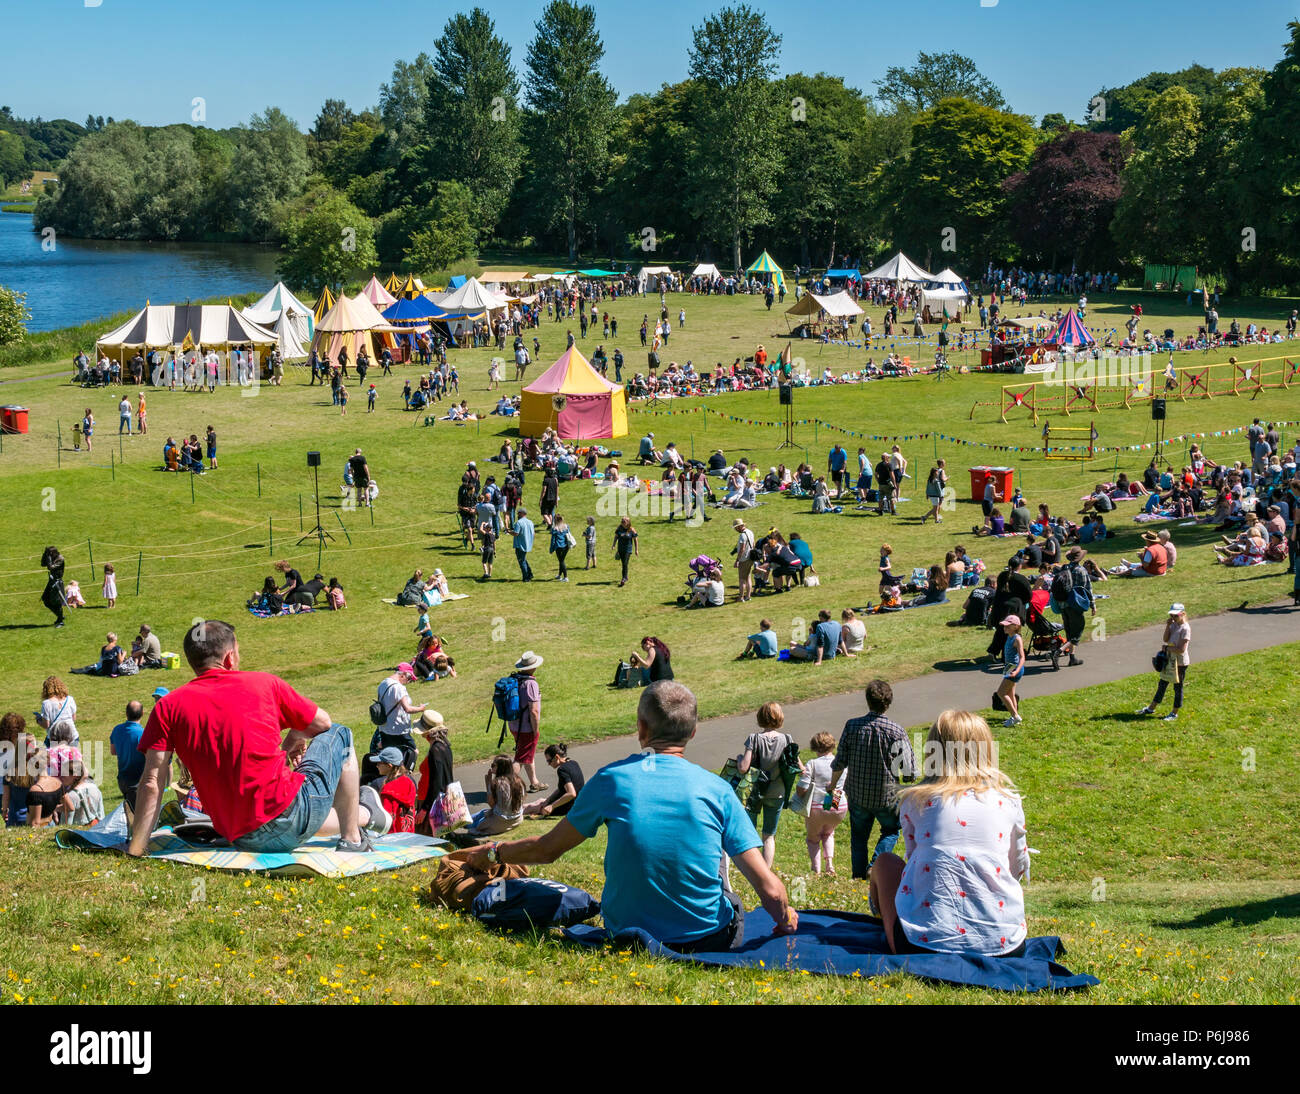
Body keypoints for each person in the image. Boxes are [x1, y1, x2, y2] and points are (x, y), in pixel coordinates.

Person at [464, 681, 796, 951]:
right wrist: (786, 919)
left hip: (625, 931)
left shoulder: (612, 780)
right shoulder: (717, 790)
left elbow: (547, 849)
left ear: (641, 728)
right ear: (693, 732)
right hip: (705, 937)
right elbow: (770, 891)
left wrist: (494, 852)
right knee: (726, 886)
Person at [128, 620, 390, 855]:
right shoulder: (265, 684)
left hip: (238, 834)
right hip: (291, 819)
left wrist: (137, 848)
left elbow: (152, 781)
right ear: (230, 657)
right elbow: (323, 723)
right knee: (340, 733)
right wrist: (296, 734)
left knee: (285, 812)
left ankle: (367, 814)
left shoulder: (168, 706)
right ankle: (354, 839)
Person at [871, 710, 1030, 957]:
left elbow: (914, 867)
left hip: (920, 945)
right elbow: (1016, 868)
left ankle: (883, 917)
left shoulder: (916, 800)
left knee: (885, 863)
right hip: (1005, 946)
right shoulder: (1008, 802)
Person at [824, 679, 915, 880]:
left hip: (857, 794)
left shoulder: (852, 726)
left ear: (867, 700)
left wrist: (832, 786)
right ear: (889, 702)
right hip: (886, 796)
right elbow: (908, 772)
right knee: (891, 830)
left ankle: (858, 875)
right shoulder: (895, 731)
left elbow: (840, 762)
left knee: (858, 837)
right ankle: (873, 866)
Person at [736, 702, 795, 867]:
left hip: (755, 791)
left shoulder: (754, 739)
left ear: (760, 718)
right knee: (769, 835)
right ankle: (766, 870)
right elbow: (798, 767)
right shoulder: (787, 739)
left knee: (750, 830)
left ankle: (751, 867)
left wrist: (740, 758)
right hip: (777, 792)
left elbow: (743, 768)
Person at [797, 731, 848, 875]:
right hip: (838, 803)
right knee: (828, 833)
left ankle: (816, 870)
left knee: (813, 839)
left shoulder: (813, 763)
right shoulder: (841, 763)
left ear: (814, 747)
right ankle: (830, 864)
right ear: (832, 746)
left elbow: (803, 786)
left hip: (818, 806)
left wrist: (799, 795)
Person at [369, 664, 425, 775]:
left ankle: (390, 777)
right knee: (413, 752)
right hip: (399, 729)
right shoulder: (398, 687)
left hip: (384, 728)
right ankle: (405, 777)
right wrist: (420, 708)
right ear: (403, 674)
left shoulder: (383, 683)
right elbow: (407, 709)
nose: (408, 682)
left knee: (390, 755)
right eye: (409, 678)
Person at [1137, 604, 1191, 721]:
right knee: (1162, 684)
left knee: (1177, 688)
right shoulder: (1173, 625)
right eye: (1171, 615)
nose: (1173, 617)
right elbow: (1165, 639)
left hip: (1180, 663)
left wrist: (1167, 648)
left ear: (1182, 614)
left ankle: (1174, 713)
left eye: (1175, 615)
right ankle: (1151, 708)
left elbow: (1181, 650)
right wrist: (1168, 625)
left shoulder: (1185, 629)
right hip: (1170, 659)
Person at [507, 651, 545, 791]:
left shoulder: (516, 678)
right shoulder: (531, 684)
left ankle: (534, 782)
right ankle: (504, 785)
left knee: (526, 753)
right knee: (520, 758)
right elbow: (534, 711)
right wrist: (535, 730)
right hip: (526, 728)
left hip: (514, 725)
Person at [467, 754, 525, 836]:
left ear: (500, 768)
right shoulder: (518, 781)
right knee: (483, 812)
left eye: (493, 765)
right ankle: (461, 819)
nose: (491, 767)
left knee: (473, 825)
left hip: (501, 821)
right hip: (517, 818)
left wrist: (488, 784)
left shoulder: (498, 783)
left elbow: (492, 804)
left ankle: (457, 823)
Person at [522, 743, 585, 818]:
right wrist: (548, 800)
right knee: (540, 801)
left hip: (567, 807)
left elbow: (571, 793)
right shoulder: (573, 763)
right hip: (576, 803)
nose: (549, 764)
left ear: (557, 757)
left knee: (533, 808)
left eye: (549, 761)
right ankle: (514, 809)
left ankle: (512, 815)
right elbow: (561, 789)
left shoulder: (562, 770)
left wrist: (551, 806)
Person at [365, 747, 417, 833]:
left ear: (389, 765)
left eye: (379, 763)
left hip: (391, 838)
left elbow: (386, 819)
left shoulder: (388, 790)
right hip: (408, 835)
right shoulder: (410, 782)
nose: (377, 766)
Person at [110, 699, 146, 809]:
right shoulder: (143, 733)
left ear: (126, 713)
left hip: (122, 780)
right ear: (142, 713)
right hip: (137, 781)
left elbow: (113, 751)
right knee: (139, 815)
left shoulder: (117, 730)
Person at [996, 615, 1025, 727]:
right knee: (1010, 693)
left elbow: (1022, 657)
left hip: (1014, 668)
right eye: (1004, 625)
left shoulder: (1017, 638)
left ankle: (1015, 716)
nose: (1005, 627)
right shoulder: (1009, 636)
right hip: (1009, 667)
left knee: (1001, 693)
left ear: (1016, 626)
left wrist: (1016, 671)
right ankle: (1014, 716)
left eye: (1008, 626)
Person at [35, 676, 77, 744]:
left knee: (50, 754)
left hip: (54, 738)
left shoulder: (46, 703)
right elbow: (74, 718)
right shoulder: (70, 699)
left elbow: (46, 725)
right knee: (71, 754)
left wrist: (38, 720)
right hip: (72, 735)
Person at [40, 546, 67, 627]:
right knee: (46, 600)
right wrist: (44, 555)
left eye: (50, 554)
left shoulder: (60, 559)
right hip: (51, 581)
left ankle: (60, 621)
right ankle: (60, 616)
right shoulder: (51, 557)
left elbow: (50, 567)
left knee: (57, 602)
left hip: (57, 582)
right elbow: (42, 564)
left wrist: (48, 558)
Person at [613, 516, 639, 587]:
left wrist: (636, 550)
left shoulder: (632, 530)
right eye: (621, 521)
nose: (622, 522)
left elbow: (635, 540)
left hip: (628, 550)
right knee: (624, 564)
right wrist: (614, 545)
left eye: (624, 521)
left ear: (628, 522)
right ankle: (626, 576)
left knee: (625, 563)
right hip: (620, 549)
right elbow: (616, 536)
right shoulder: (619, 528)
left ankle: (623, 579)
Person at [549, 514, 575, 581]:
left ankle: (566, 577)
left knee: (561, 561)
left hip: (559, 547)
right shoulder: (566, 526)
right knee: (561, 560)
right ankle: (559, 575)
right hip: (566, 546)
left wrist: (551, 549)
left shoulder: (554, 528)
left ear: (555, 520)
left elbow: (553, 540)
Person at [512, 507, 536, 582]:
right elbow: (533, 533)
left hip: (520, 545)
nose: (517, 514)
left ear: (522, 513)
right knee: (523, 559)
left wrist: (509, 532)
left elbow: (516, 533)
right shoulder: (530, 522)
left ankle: (526, 577)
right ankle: (530, 574)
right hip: (528, 544)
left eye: (518, 513)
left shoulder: (518, 523)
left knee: (521, 561)